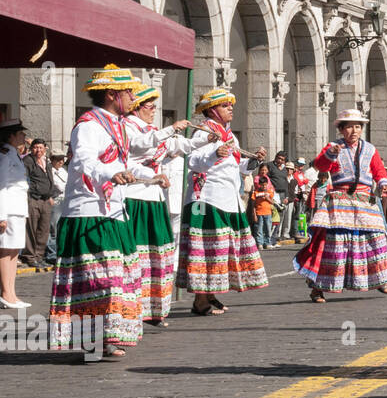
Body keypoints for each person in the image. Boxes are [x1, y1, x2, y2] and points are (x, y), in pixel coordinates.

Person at [50, 67, 170, 355]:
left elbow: (128, 159)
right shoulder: (89, 126)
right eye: (129, 92)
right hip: (89, 211)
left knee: (119, 278)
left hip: (114, 211)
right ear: (112, 95)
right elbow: (82, 162)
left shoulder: (116, 126)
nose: (133, 97)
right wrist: (108, 175)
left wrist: (147, 174)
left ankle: (107, 337)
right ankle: (93, 339)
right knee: (100, 279)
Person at [175, 88, 269, 315]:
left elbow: (236, 167)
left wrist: (254, 161)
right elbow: (195, 162)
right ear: (212, 110)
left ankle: (209, 293)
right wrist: (215, 154)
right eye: (225, 105)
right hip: (206, 199)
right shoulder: (203, 132)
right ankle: (200, 299)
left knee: (220, 250)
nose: (230, 109)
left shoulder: (230, 135)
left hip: (227, 199)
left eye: (231, 105)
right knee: (205, 249)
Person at [294, 109, 387, 302]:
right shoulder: (333, 147)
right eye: (349, 127)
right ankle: (318, 288)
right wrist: (330, 154)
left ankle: (379, 279)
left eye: (357, 126)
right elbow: (321, 167)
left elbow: (379, 171)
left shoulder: (370, 149)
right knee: (335, 244)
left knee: (375, 239)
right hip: (340, 199)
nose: (354, 131)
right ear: (341, 129)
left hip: (364, 199)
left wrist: (384, 183)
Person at [122, 85, 193, 328]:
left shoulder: (152, 129)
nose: (153, 111)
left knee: (157, 253)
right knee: (137, 254)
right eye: (150, 106)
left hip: (154, 197)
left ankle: (153, 309)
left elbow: (178, 146)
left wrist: (207, 139)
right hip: (135, 197)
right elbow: (139, 146)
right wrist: (170, 128)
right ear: (137, 108)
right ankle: (132, 308)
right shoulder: (128, 126)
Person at [0, 119, 30, 308]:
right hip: (9, 210)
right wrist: (1, 215)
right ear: (10, 136)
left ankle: (11, 292)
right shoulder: (4, 155)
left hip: (18, 209)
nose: (24, 137)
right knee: (6, 251)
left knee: (14, 252)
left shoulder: (14, 155)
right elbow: (2, 187)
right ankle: (6, 293)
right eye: (20, 134)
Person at [21, 138, 55, 269]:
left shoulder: (47, 161)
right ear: (31, 148)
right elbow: (24, 179)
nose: (38, 150)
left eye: (41, 147)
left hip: (46, 200)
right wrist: (31, 193)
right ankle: (29, 256)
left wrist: (50, 195)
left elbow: (50, 178)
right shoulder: (28, 161)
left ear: (45, 148)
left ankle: (39, 256)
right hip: (33, 199)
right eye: (35, 147)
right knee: (31, 228)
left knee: (44, 229)